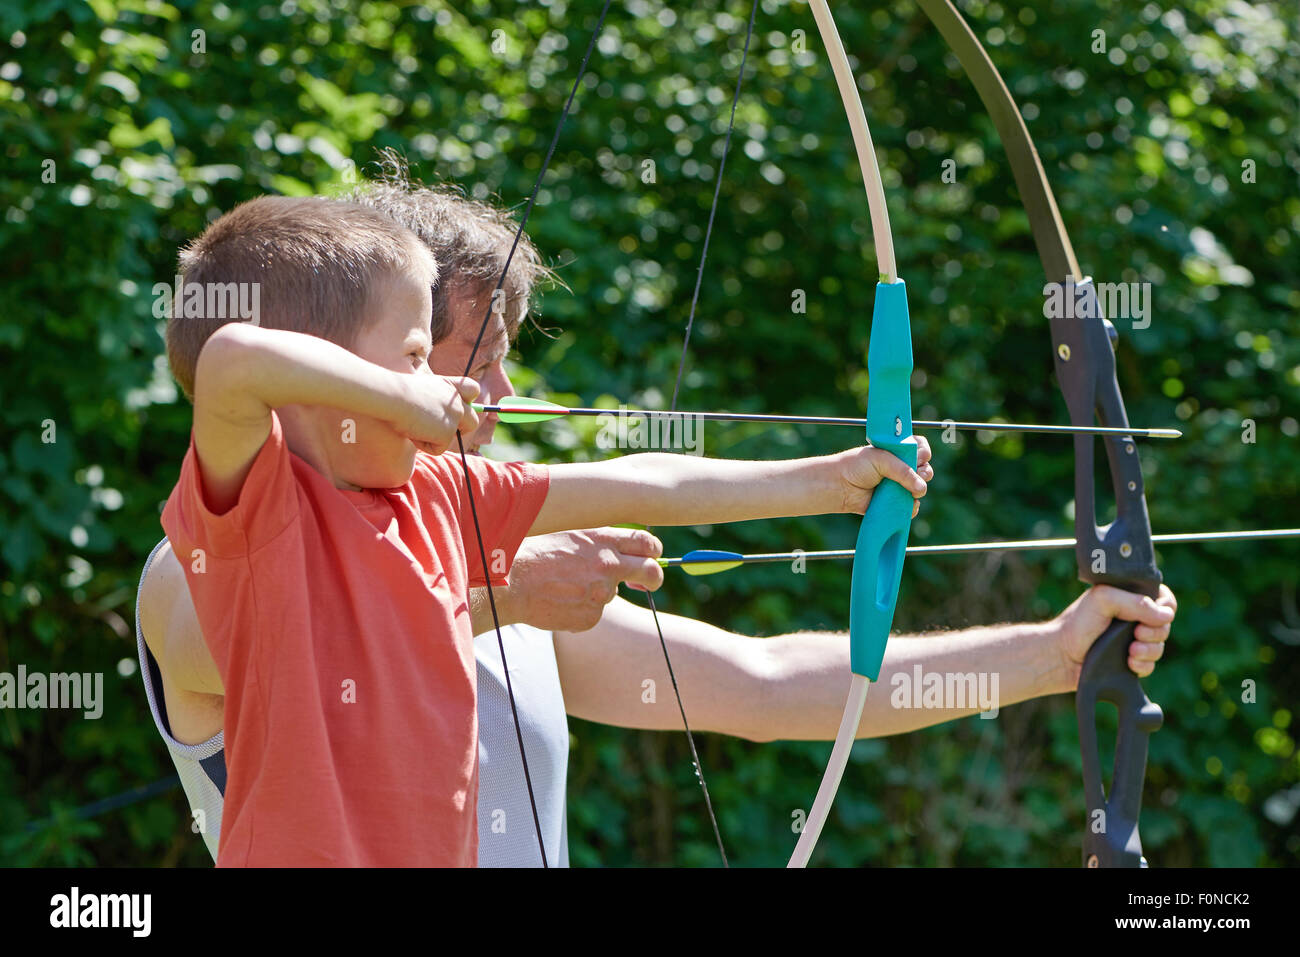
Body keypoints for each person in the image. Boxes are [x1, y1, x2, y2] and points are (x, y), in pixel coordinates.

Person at [138, 170, 1174, 866]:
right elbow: (261, 647)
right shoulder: (212, 552)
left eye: (506, 357)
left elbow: (763, 683)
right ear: (331, 366)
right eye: (450, 356)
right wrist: (494, 602)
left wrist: (1052, 653)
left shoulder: (460, 517)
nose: (500, 395)